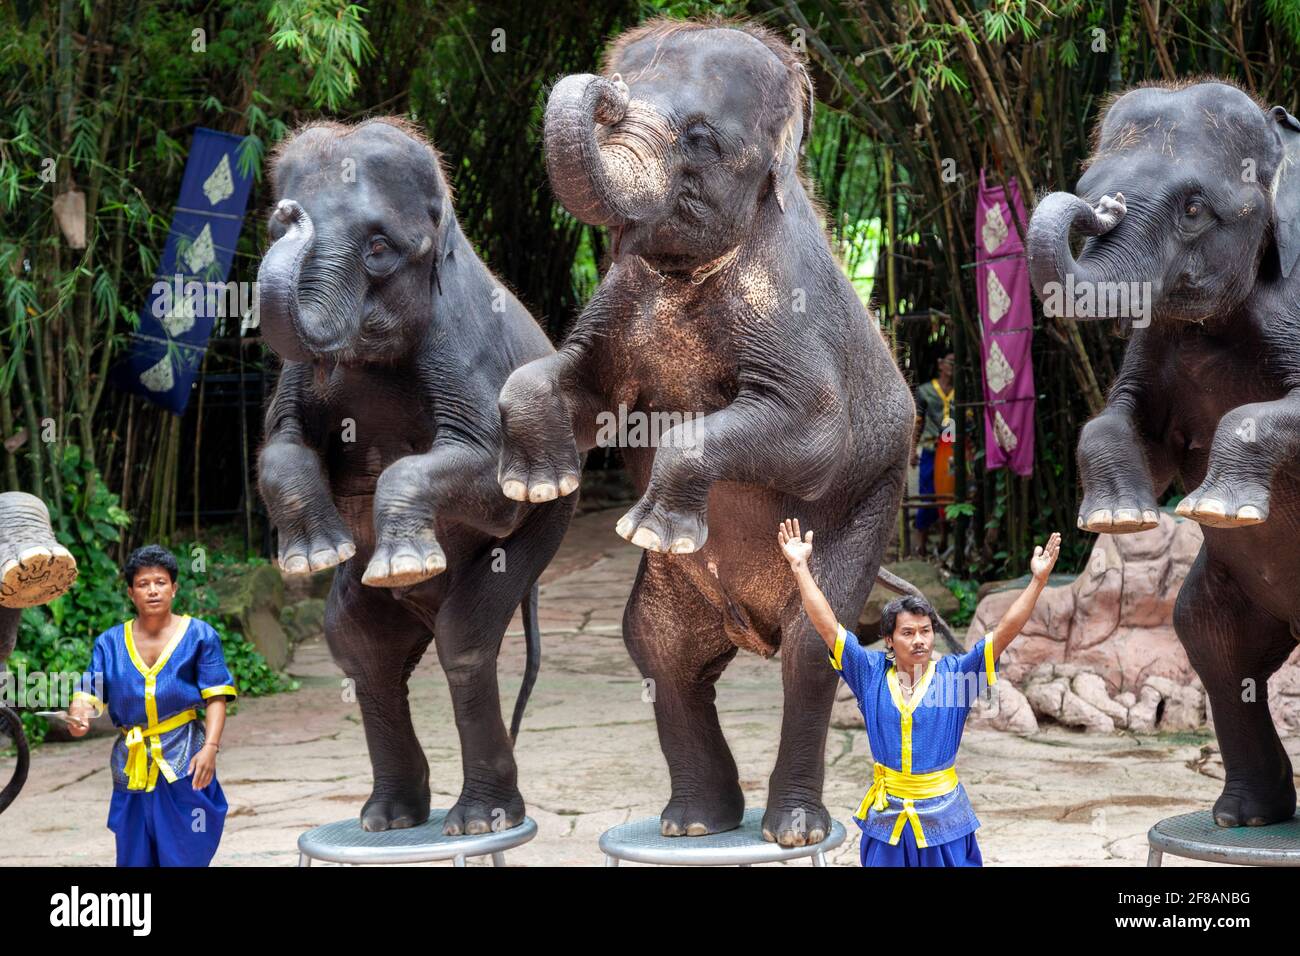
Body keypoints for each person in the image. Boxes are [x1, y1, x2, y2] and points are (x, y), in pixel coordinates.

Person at [778, 518, 1060, 866]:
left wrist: (1038, 581)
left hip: (944, 821)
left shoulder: (957, 675)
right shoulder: (869, 673)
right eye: (908, 633)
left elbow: (1004, 632)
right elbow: (826, 625)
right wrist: (800, 567)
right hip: (888, 822)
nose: (920, 640)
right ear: (889, 641)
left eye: (925, 631)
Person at [67, 544, 236, 867]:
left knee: (187, 847)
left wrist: (211, 748)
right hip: (131, 762)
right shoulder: (110, 642)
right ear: (131, 593)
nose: (153, 590)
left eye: (160, 582)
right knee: (134, 854)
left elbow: (216, 696)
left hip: (186, 756)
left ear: (174, 588)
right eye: (143, 584)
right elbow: (90, 690)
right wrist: (79, 715)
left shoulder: (200, 635)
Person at [911, 352, 956, 557]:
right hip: (931, 449)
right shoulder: (926, 391)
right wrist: (912, 449)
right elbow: (918, 423)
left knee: (949, 494)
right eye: (950, 362)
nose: (953, 366)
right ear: (940, 364)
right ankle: (921, 542)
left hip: (953, 452)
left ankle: (945, 540)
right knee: (927, 493)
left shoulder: (960, 391)